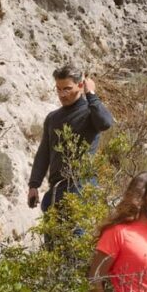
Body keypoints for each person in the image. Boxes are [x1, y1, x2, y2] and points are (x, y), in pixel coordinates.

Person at [27, 64, 113, 212]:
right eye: (59, 89)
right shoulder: (53, 118)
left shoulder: (89, 113)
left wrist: (91, 93)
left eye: (67, 89)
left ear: (80, 85)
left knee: (77, 235)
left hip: (81, 188)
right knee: (52, 235)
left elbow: (105, 123)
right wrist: (34, 185)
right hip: (56, 191)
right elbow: (44, 153)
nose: (62, 94)